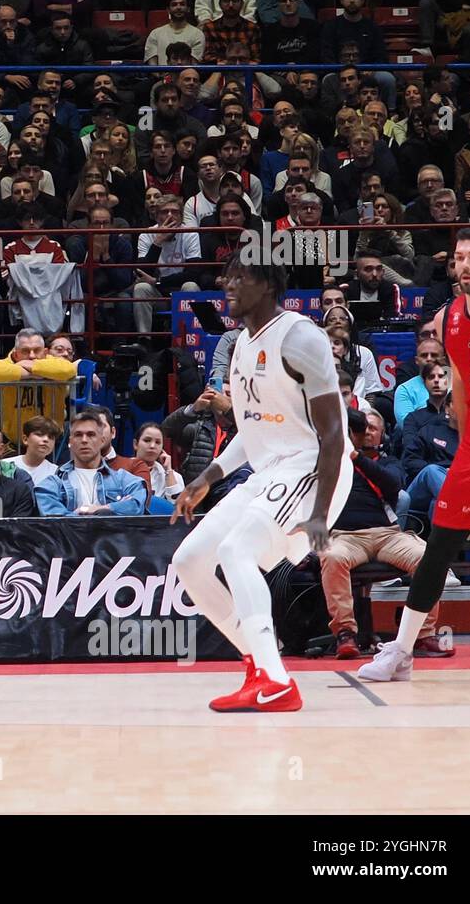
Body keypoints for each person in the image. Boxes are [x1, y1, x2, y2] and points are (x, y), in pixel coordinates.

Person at [170, 252, 353, 713]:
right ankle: (260, 664)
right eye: (227, 275)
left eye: (240, 277)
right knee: (189, 561)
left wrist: (319, 513)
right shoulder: (240, 345)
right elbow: (252, 433)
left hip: (313, 468)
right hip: (271, 469)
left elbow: (334, 435)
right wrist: (207, 478)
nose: (227, 284)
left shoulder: (301, 339)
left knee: (236, 552)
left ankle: (275, 680)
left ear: (268, 286)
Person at [360, 228, 470, 680]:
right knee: (438, 546)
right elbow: (458, 377)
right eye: (460, 257)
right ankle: (401, 652)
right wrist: (464, 428)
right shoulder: (451, 316)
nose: (466, 264)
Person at [321, 408, 450, 661]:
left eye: (372, 429)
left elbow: (393, 486)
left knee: (428, 557)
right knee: (333, 556)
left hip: (387, 535)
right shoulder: (328, 462)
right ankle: (345, 633)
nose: (367, 432)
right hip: (345, 537)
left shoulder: (389, 462)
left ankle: (423, 634)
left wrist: (357, 458)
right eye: (361, 428)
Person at [36, 409, 147, 517]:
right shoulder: (52, 484)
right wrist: (111, 509)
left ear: (102, 441)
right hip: (71, 536)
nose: (84, 440)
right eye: (78, 434)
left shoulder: (122, 479)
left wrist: (99, 509)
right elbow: (54, 522)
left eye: (91, 434)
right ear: (70, 442)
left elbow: (136, 506)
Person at [3, 415, 61, 486]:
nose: (46, 439)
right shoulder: (4, 465)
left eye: (51, 437)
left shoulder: (56, 472)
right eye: (40, 435)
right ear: (25, 439)